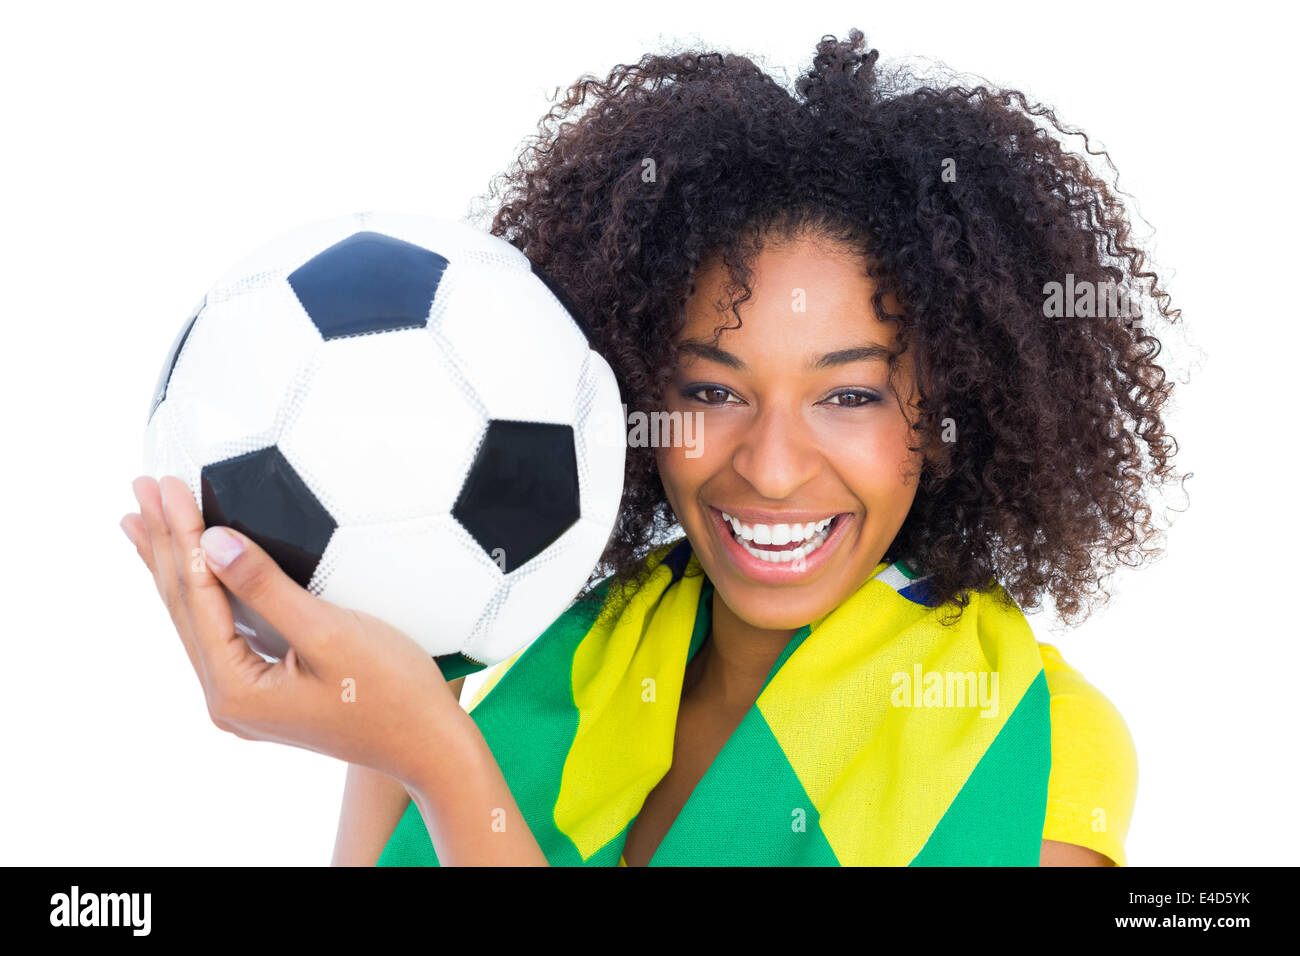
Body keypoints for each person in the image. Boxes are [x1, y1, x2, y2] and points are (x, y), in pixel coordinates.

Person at [124, 29, 1178, 867]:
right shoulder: (544, 655)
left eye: (848, 393)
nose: (769, 466)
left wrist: (442, 764)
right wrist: (397, 660)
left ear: (951, 412)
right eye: (712, 390)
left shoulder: (1031, 750)